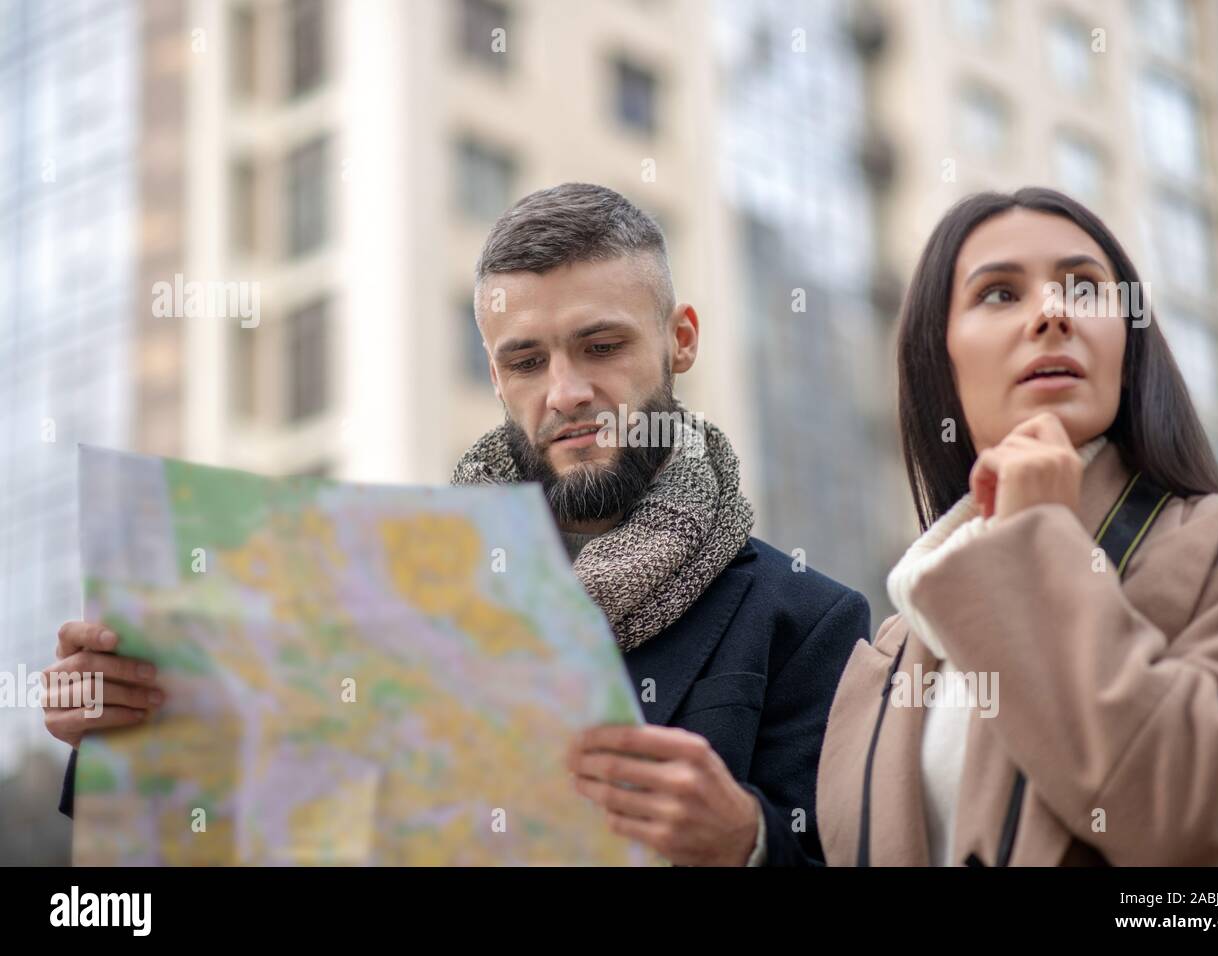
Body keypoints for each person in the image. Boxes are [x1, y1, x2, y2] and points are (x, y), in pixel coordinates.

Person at [45, 183, 870, 867]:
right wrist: (123, 731)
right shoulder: (378, 593)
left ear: (679, 340)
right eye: (526, 360)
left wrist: (750, 844)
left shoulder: (807, 622)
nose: (566, 390)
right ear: (494, 374)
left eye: (601, 345)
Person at [816, 186, 1218, 866]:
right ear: (940, 359)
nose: (1050, 313)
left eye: (1083, 288)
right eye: (999, 294)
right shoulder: (891, 647)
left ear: (1129, 344)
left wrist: (1036, 540)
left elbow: (1196, 820)